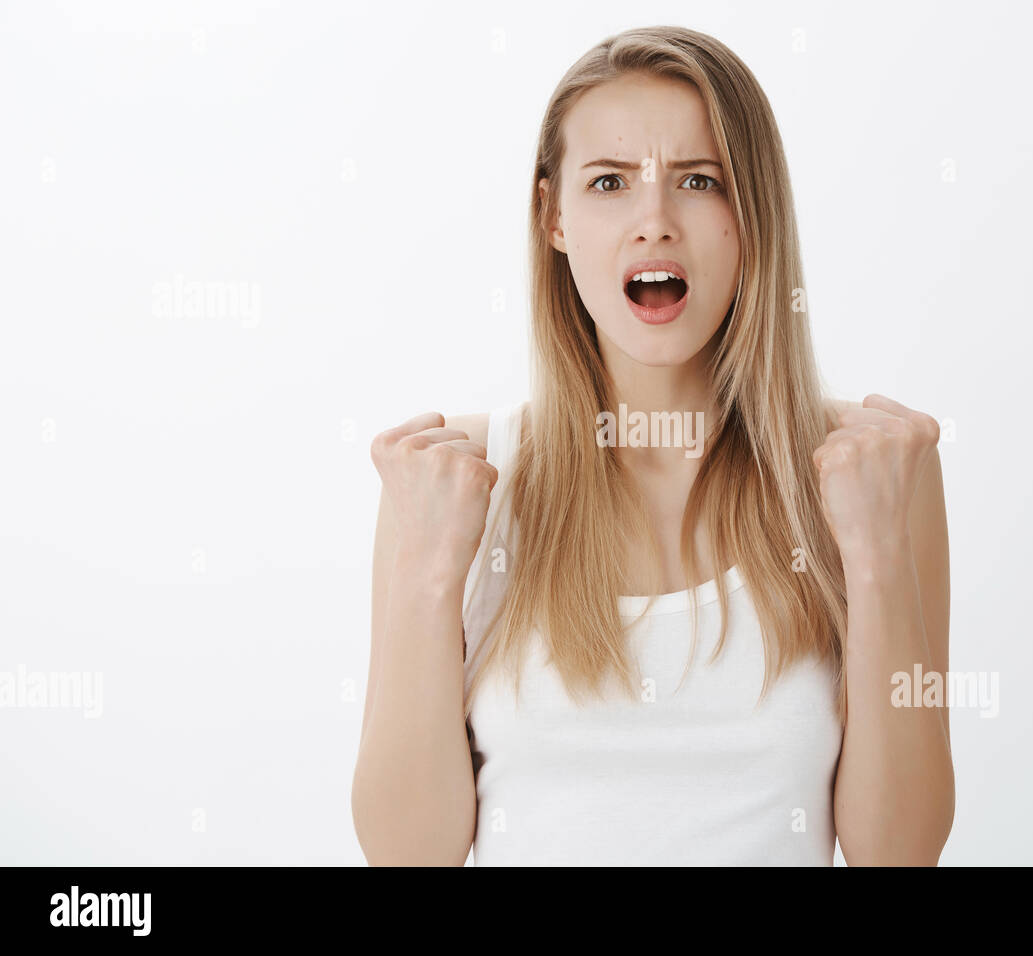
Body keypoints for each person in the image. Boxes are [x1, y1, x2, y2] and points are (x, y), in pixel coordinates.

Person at [352, 25, 953, 866]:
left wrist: (877, 559)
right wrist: (426, 577)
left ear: (753, 212)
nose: (654, 223)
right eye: (610, 182)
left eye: (699, 181)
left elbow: (901, 852)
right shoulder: (454, 483)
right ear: (553, 217)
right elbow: (407, 855)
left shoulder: (874, 470)